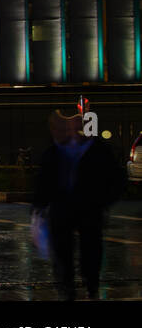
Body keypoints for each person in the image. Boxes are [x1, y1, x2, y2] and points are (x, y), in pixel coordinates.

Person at [32, 111, 126, 300]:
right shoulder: (58, 151)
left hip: (86, 208)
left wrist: (102, 200)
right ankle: (74, 287)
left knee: (86, 249)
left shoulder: (93, 150)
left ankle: (85, 286)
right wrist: (40, 205)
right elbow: (44, 181)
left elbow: (115, 179)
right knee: (66, 250)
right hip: (67, 209)